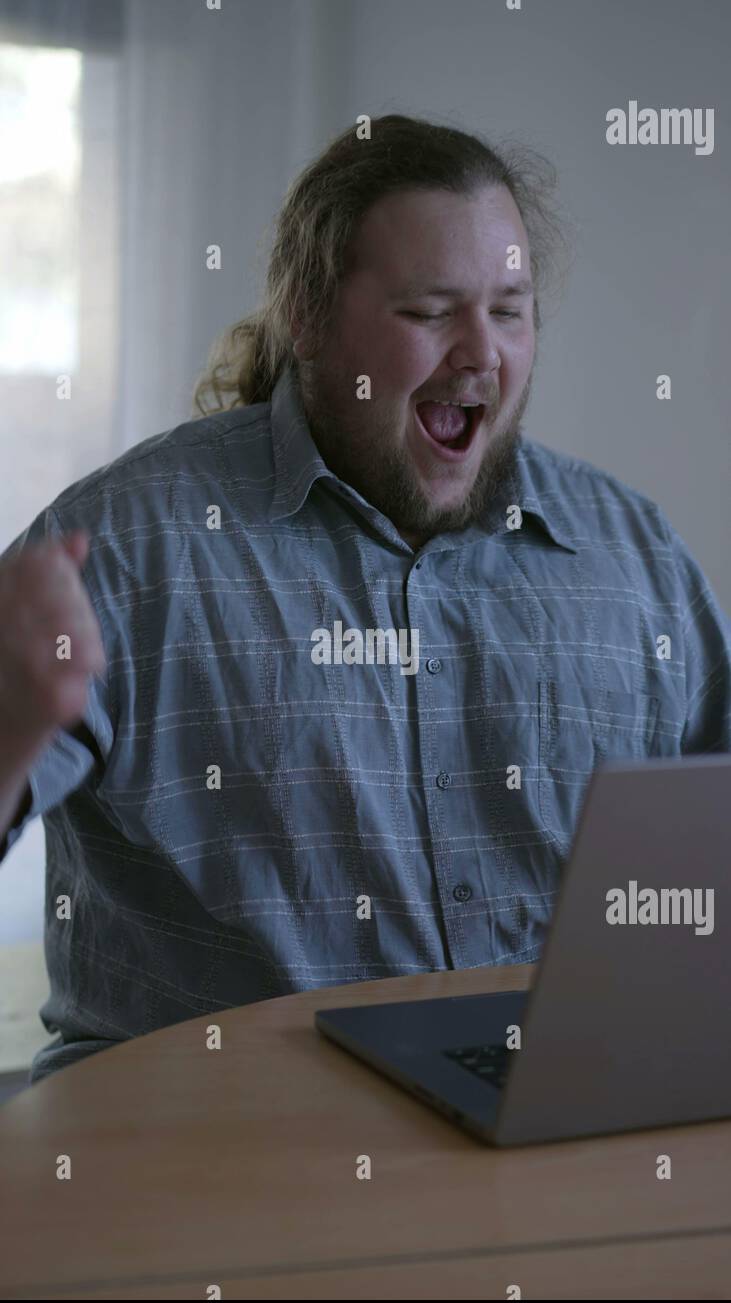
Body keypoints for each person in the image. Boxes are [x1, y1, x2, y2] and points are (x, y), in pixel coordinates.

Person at [1, 115, 729, 1086]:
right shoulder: (133, 549)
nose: (481, 355)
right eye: (430, 311)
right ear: (308, 316)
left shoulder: (636, 562)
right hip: (203, 1155)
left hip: (553, 1154)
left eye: (508, 310)